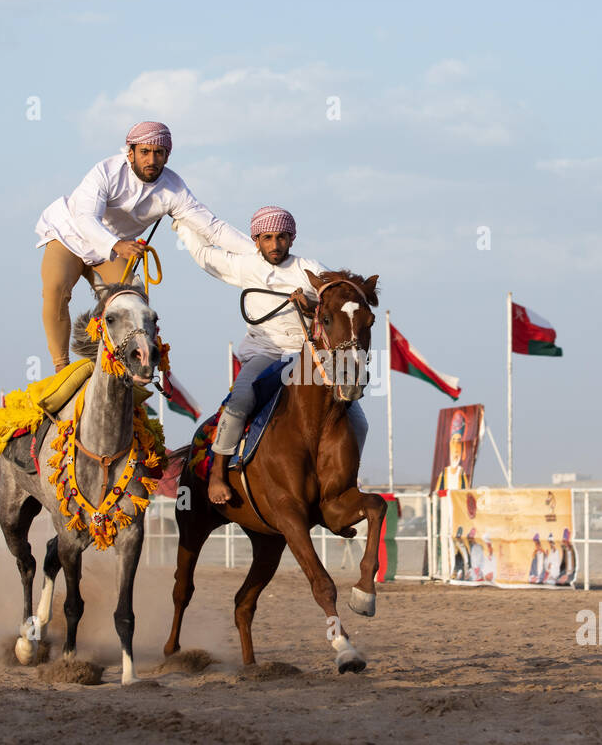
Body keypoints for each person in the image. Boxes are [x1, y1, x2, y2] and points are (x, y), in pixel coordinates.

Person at [176, 206, 369, 505]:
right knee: (240, 400)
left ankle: (344, 485)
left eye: (281, 238)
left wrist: (310, 305)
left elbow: (337, 300)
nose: (275, 245)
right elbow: (204, 256)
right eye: (267, 238)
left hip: (307, 356)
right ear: (256, 240)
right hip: (263, 352)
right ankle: (217, 474)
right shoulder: (244, 266)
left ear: (292, 239)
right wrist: (181, 224)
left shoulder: (310, 268)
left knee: (359, 421)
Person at [35, 121, 254, 372]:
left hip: (112, 251)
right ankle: (61, 368)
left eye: (159, 153)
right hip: (71, 237)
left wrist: (256, 253)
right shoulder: (105, 172)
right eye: (145, 152)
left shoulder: (174, 189)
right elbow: (86, 218)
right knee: (55, 290)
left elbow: (213, 228)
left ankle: (123, 365)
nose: (152, 159)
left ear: (167, 156)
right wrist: (117, 245)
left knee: (132, 300)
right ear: (130, 153)